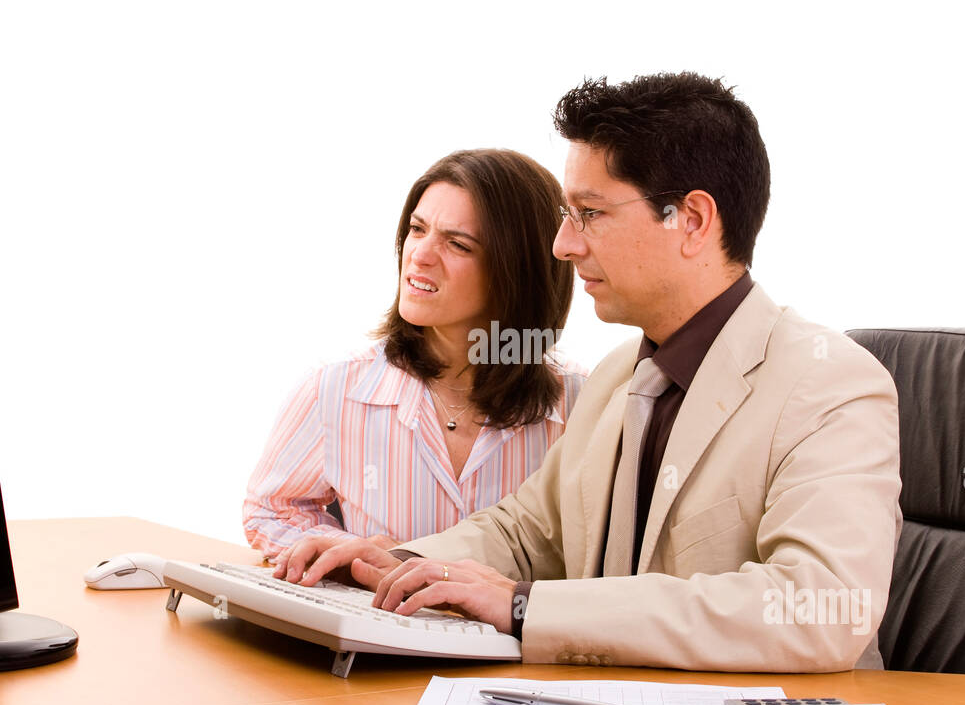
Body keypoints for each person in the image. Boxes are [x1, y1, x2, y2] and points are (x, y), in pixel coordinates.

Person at [278, 74, 902, 672]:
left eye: (589, 214)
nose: (562, 245)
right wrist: (396, 560)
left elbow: (818, 608)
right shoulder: (617, 377)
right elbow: (528, 533)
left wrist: (525, 607)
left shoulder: (832, 385)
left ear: (691, 220)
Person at [244, 149, 585, 562]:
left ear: (518, 271)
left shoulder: (580, 404)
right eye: (417, 229)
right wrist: (349, 556)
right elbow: (270, 510)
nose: (420, 255)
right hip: (376, 625)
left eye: (458, 244)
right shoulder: (335, 386)